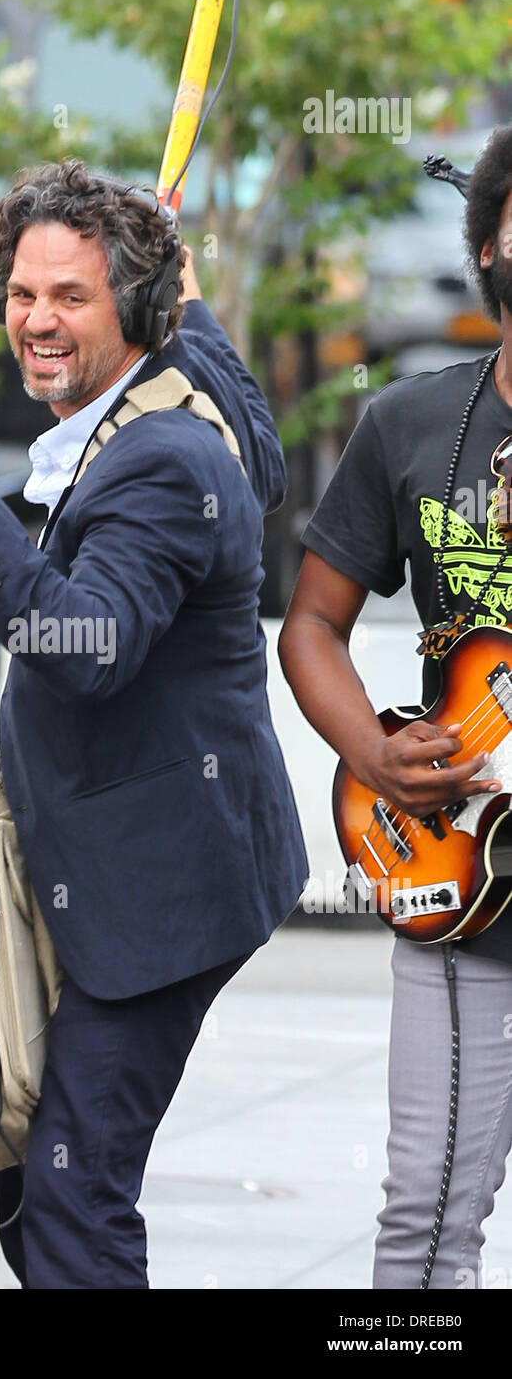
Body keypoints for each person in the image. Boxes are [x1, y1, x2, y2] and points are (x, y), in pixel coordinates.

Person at [0, 160, 307, 1289]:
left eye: (72, 297)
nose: (37, 319)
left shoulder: (164, 461)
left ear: (132, 306)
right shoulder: (181, 377)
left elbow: (84, 648)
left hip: (165, 890)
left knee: (74, 1192)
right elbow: (207, 341)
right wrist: (161, 265)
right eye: (23, 293)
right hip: (136, 864)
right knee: (41, 1182)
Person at [279, 123, 512, 1289]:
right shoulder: (409, 423)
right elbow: (310, 622)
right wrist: (371, 750)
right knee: (424, 1225)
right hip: (464, 872)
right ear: (488, 247)